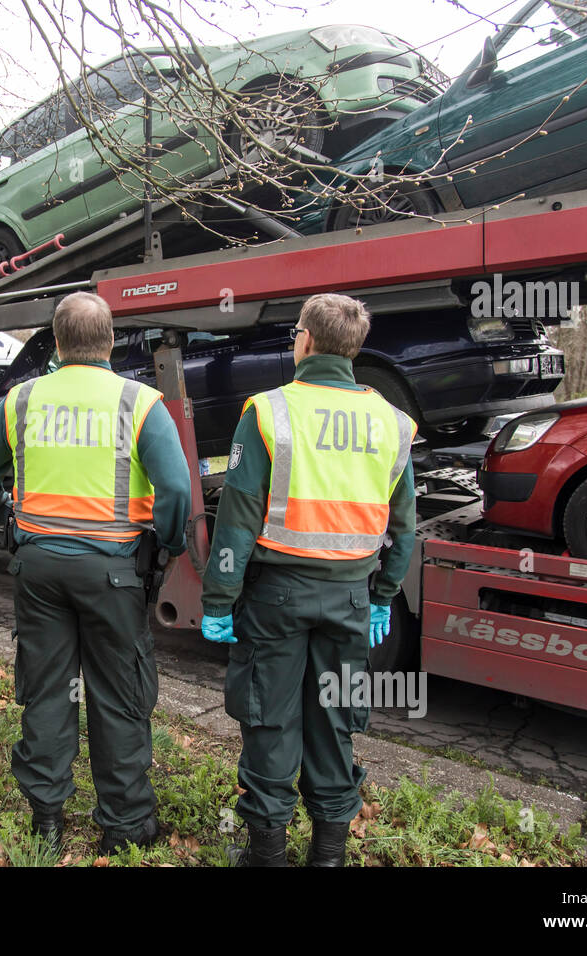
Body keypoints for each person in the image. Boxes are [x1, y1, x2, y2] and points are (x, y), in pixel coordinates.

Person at [0, 292, 191, 854]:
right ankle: (125, 825)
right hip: (113, 574)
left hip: (38, 571)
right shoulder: (140, 403)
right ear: (109, 341)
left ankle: (46, 819)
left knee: (49, 691)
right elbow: (178, 489)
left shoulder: (21, 400)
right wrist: (168, 544)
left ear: (56, 343)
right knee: (119, 695)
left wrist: (5, 521)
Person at [200, 293, 417, 867]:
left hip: (276, 599)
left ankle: (267, 857)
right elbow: (405, 528)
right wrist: (384, 597)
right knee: (334, 724)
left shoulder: (270, 411)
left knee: (270, 720)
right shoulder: (393, 422)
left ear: (306, 340)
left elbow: (238, 518)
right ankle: (328, 858)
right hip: (350, 599)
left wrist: (219, 600)